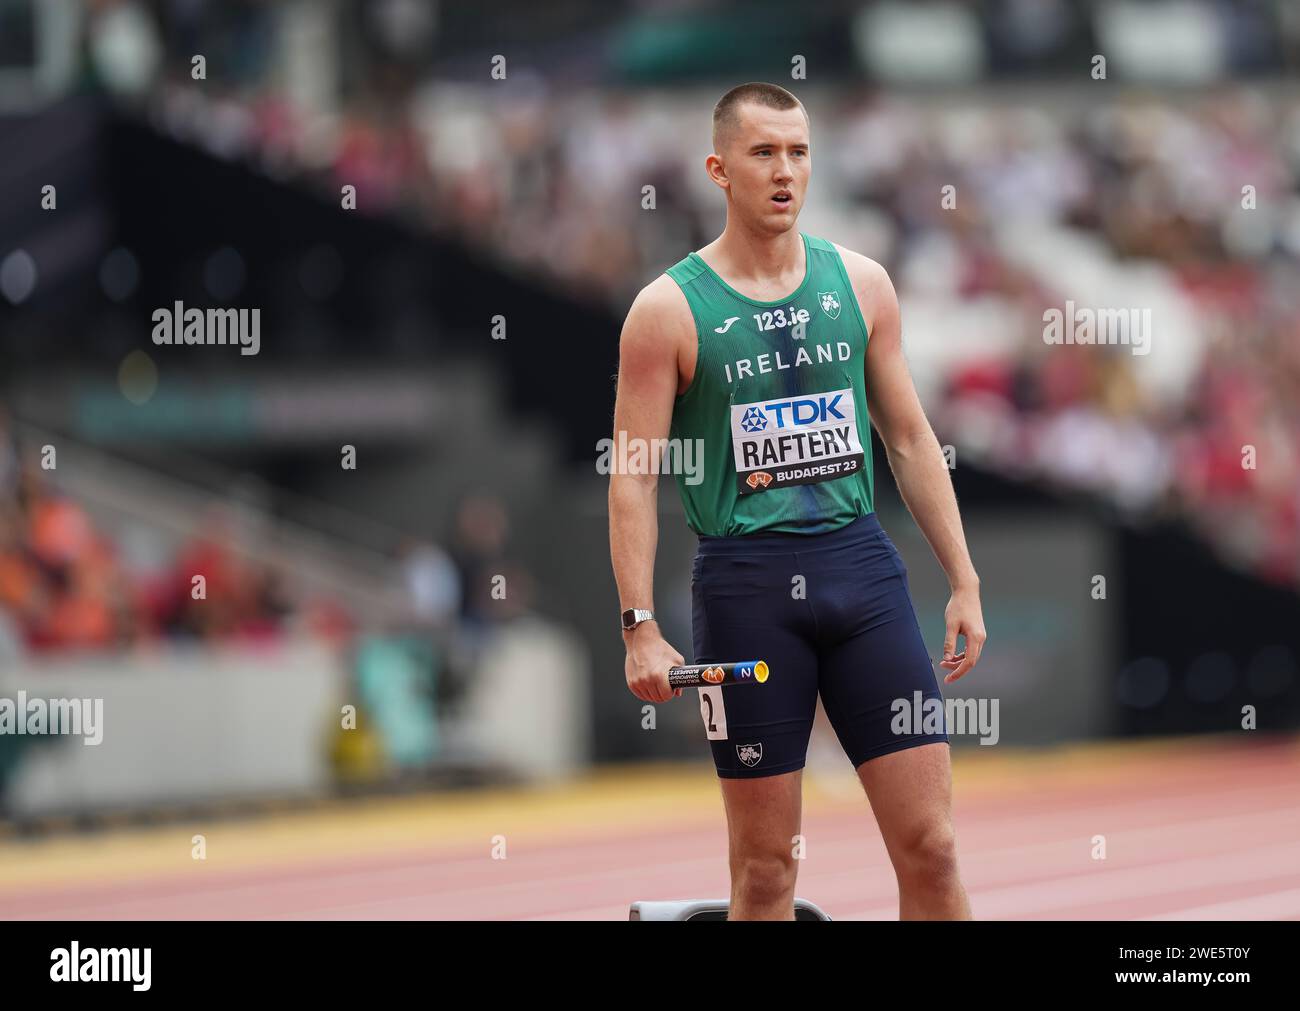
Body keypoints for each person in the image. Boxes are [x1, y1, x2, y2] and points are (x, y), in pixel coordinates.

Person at [608, 82, 985, 920]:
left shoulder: (862, 285)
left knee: (933, 845)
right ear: (719, 168)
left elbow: (914, 439)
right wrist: (638, 625)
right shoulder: (666, 311)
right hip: (745, 589)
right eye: (763, 153)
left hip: (862, 572)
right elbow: (632, 473)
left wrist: (963, 576)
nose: (785, 171)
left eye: (799, 152)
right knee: (769, 870)